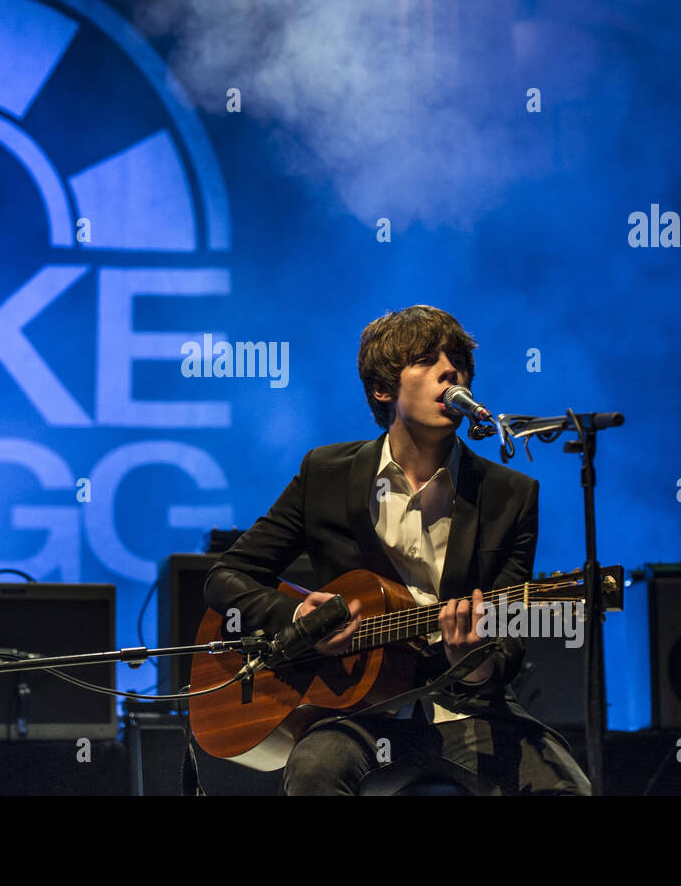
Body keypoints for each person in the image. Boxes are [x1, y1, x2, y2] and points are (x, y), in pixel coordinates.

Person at [203, 305, 591, 795]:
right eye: (427, 360)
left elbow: (510, 636)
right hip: (355, 710)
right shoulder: (326, 474)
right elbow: (227, 575)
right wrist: (300, 614)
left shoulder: (508, 495)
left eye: (458, 362)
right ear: (383, 390)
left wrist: (473, 661)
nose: (451, 370)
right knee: (314, 770)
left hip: (465, 709)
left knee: (565, 787)